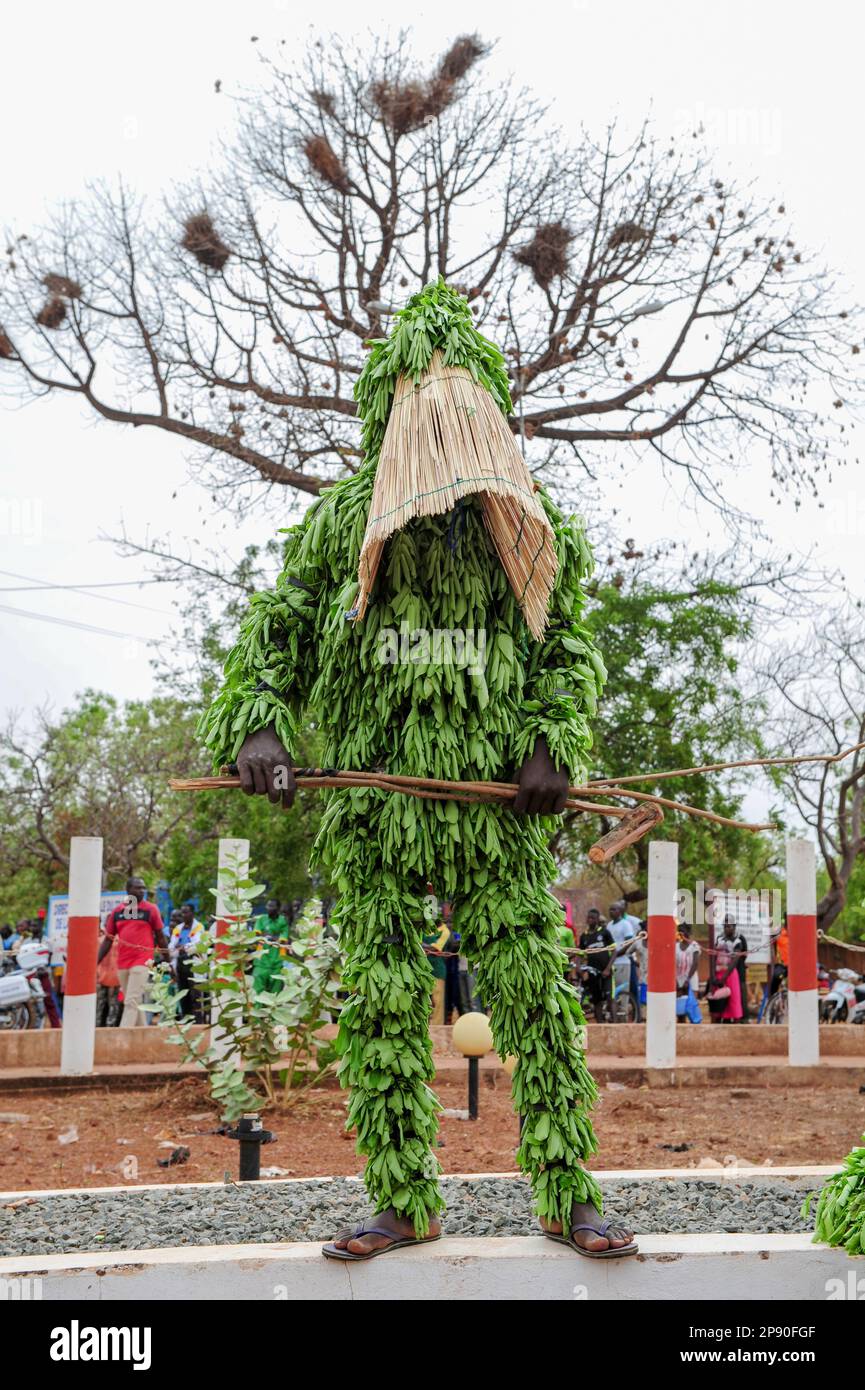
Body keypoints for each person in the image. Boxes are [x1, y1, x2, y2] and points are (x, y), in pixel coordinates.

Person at [200, 280, 636, 1261]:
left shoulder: (523, 521)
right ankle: (402, 1198)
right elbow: (278, 628)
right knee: (383, 996)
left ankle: (569, 1196)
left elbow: (566, 649)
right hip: (372, 806)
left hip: (496, 812)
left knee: (533, 987)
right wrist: (260, 727)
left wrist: (547, 748)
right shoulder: (342, 522)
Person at [98, 877, 167, 1027]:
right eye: (138, 888)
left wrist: (167, 960)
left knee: (131, 1000)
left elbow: (161, 937)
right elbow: (108, 940)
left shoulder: (151, 909)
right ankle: (144, 1033)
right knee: (137, 1001)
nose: (142, 891)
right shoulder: (117, 912)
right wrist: (94, 962)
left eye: (143, 888)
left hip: (142, 961)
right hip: (123, 963)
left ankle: (122, 1036)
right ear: (128, 890)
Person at [169, 903, 206, 1021]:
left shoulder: (199, 927)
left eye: (186, 912)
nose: (183, 915)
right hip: (180, 965)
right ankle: (186, 1021)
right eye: (182, 913)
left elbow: (196, 944)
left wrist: (183, 947)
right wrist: (181, 948)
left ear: (192, 913)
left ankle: (199, 1023)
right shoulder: (177, 929)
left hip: (193, 965)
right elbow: (171, 948)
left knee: (195, 995)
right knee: (183, 994)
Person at [578, 908, 615, 1023]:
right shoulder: (584, 936)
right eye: (588, 917)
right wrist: (579, 968)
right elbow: (580, 953)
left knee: (609, 998)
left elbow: (615, 950)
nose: (590, 920)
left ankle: (614, 1023)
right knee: (596, 1001)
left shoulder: (604, 932)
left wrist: (608, 968)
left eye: (592, 918)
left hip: (606, 972)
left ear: (597, 919)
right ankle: (600, 1025)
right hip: (592, 974)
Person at [606, 900, 641, 1022]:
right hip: (611, 962)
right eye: (610, 909)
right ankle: (614, 1016)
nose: (611, 911)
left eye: (614, 909)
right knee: (612, 992)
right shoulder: (609, 925)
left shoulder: (626, 924)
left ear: (620, 911)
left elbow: (629, 942)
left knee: (623, 990)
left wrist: (618, 953)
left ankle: (623, 1017)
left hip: (623, 962)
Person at [252, 898, 293, 994]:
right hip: (261, 962)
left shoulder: (282, 921)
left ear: (278, 908)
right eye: (268, 905)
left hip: (277, 964)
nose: (268, 908)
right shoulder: (262, 919)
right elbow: (256, 935)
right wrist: (270, 937)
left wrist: (269, 937)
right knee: (258, 993)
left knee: (275, 994)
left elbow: (283, 940)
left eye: (271, 906)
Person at [721, 914, 749, 1022]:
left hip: (739, 969)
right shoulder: (721, 938)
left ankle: (743, 1017)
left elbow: (745, 954)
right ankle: (727, 1018)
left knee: (741, 994)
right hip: (726, 972)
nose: (726, 928)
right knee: (727, 994)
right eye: (725, 926)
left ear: (734, 926)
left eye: (729, 926)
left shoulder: (740, 938)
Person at [675, 925, 702, 1024]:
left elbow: (695, 963)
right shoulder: (676, 946)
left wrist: (687, 979)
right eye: (679, 931)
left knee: (691, 1005)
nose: (681, 933)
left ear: (689, 933)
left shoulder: (694, 946)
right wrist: (675, 980)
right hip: (678, 979)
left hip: (691, 977)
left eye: (683, 931)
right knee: (680, 1009)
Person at [95, 928, 121, 1026]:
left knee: (100, 1006)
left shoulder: (100, 940)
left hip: (101, 976)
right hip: (116, 977)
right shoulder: (121, 941)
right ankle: (110, 1027)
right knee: (113, 1006)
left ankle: (97, 1028)